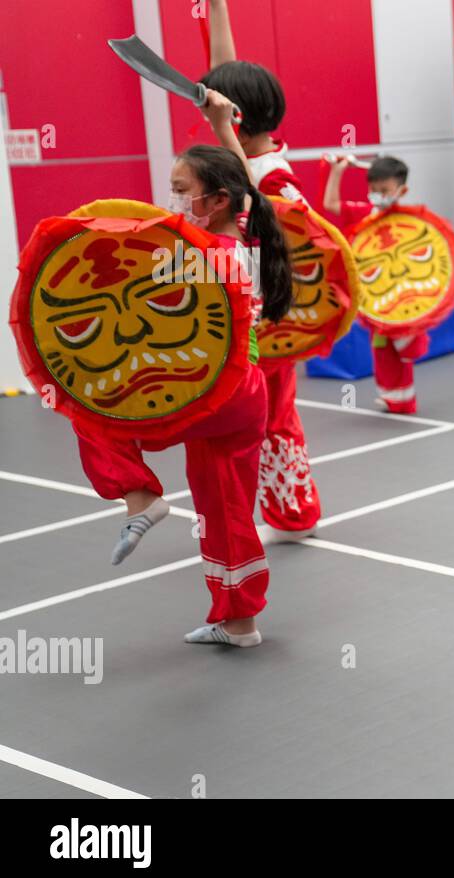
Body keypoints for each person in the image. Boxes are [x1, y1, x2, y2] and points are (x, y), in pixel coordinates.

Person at [77, 91, 293, 647]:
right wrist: (223, 124)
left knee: (92, 408)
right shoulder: (239, 238)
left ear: (216, 200)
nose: (171, 204)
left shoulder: (195, 256)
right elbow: (242, 181)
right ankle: (239, 621)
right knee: (225, 508)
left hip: (210, 395)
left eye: (180, 193)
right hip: (244, 396)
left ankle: (140, 496)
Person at [201, 0, 320, 540]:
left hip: (271, 315)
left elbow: (260, 214)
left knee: (274, 418)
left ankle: (293, 514)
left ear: (236, 122)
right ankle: (285, 512)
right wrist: (219, 7)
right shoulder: (259, 159)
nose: (209, 122)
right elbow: (222, 70)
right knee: (267, 415)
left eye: (219, 117)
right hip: (257, 313)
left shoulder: (271, 180)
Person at [322, 154, 425, 413]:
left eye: (384, 190)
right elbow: (330, 203)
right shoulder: (363, 214)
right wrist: (337, 171)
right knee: (381, 348)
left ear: (402, 190)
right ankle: (394, 397)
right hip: (374, 296)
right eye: (373, 189)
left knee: (405, 347)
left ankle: (404, 394)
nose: (377, 194)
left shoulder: (408, 222)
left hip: (401, 296)